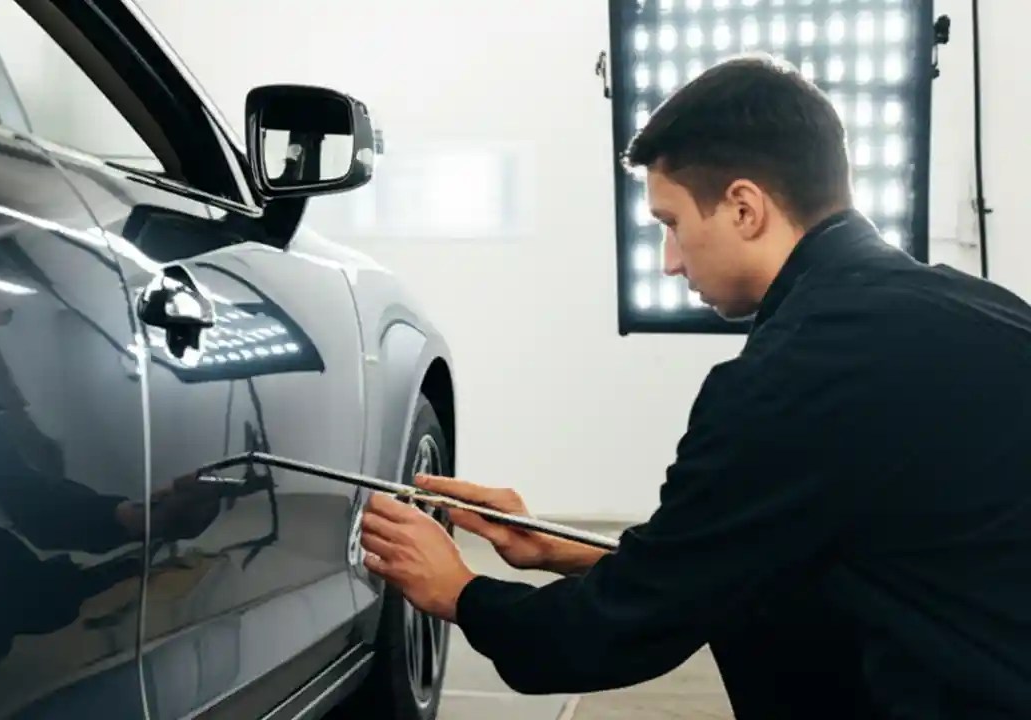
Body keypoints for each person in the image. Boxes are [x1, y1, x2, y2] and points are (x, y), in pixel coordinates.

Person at [358, 54, 1031, 719]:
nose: (671, 261)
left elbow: (615, 636)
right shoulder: (982, 310)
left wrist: (461, 592)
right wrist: (574, 551)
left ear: (744, 208)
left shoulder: (786, 378)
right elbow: (781, 547)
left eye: (671, 224)